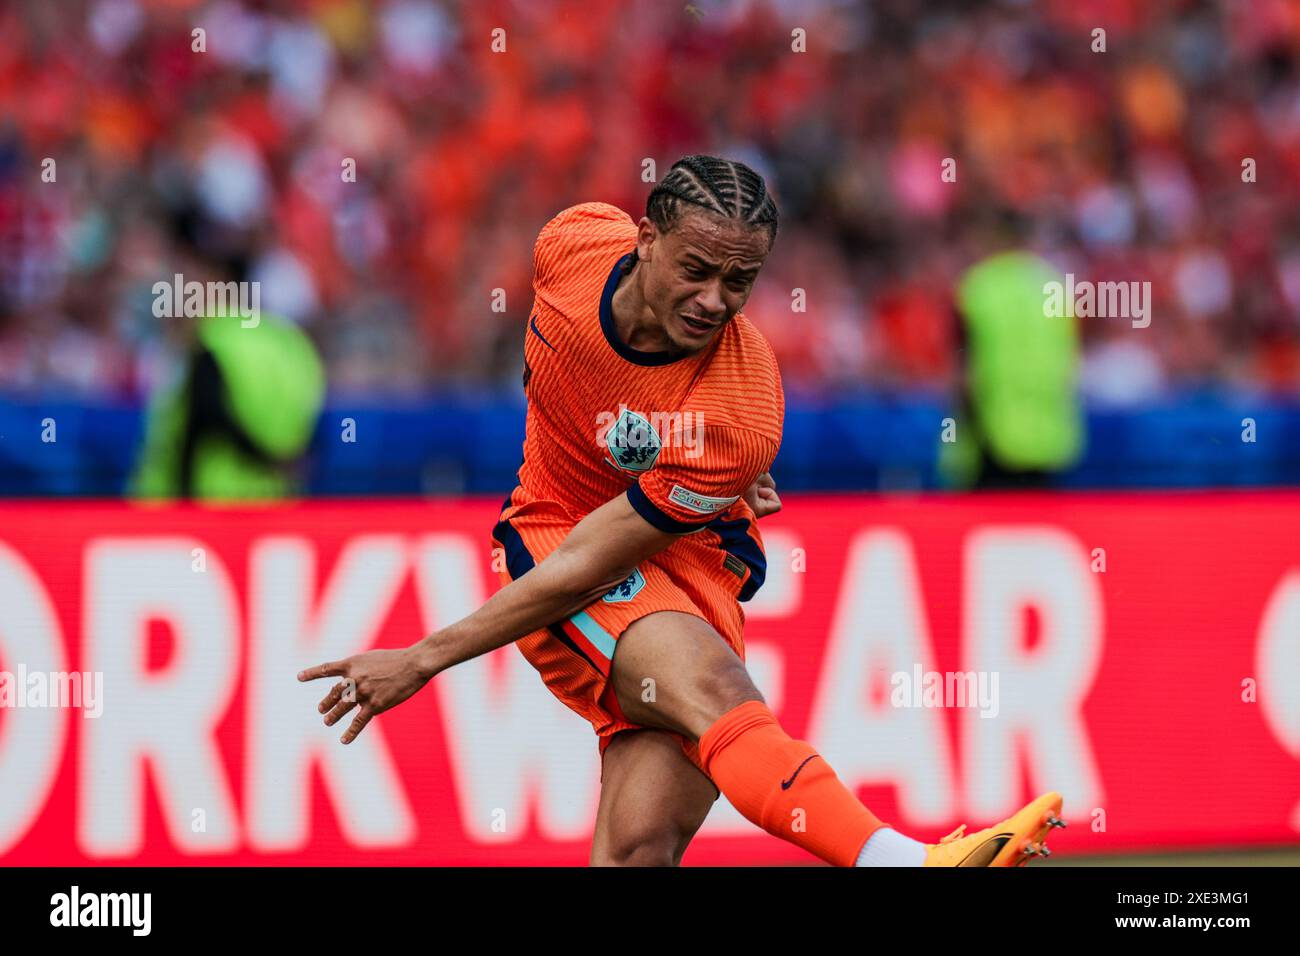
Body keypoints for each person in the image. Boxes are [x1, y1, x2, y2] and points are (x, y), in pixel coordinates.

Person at [299, 155, 1065, 865]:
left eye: (741, 282)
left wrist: (723, 475)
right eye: (695, 270)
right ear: (644, 238)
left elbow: (647, 498)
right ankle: (904, 861)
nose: (714, 301)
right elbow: (579, 567)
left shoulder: (741, 407)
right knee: (722, 697)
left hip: (691, 564)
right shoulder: (569, 243)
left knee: (639, 849)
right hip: (559, 540)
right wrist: (422, 658)